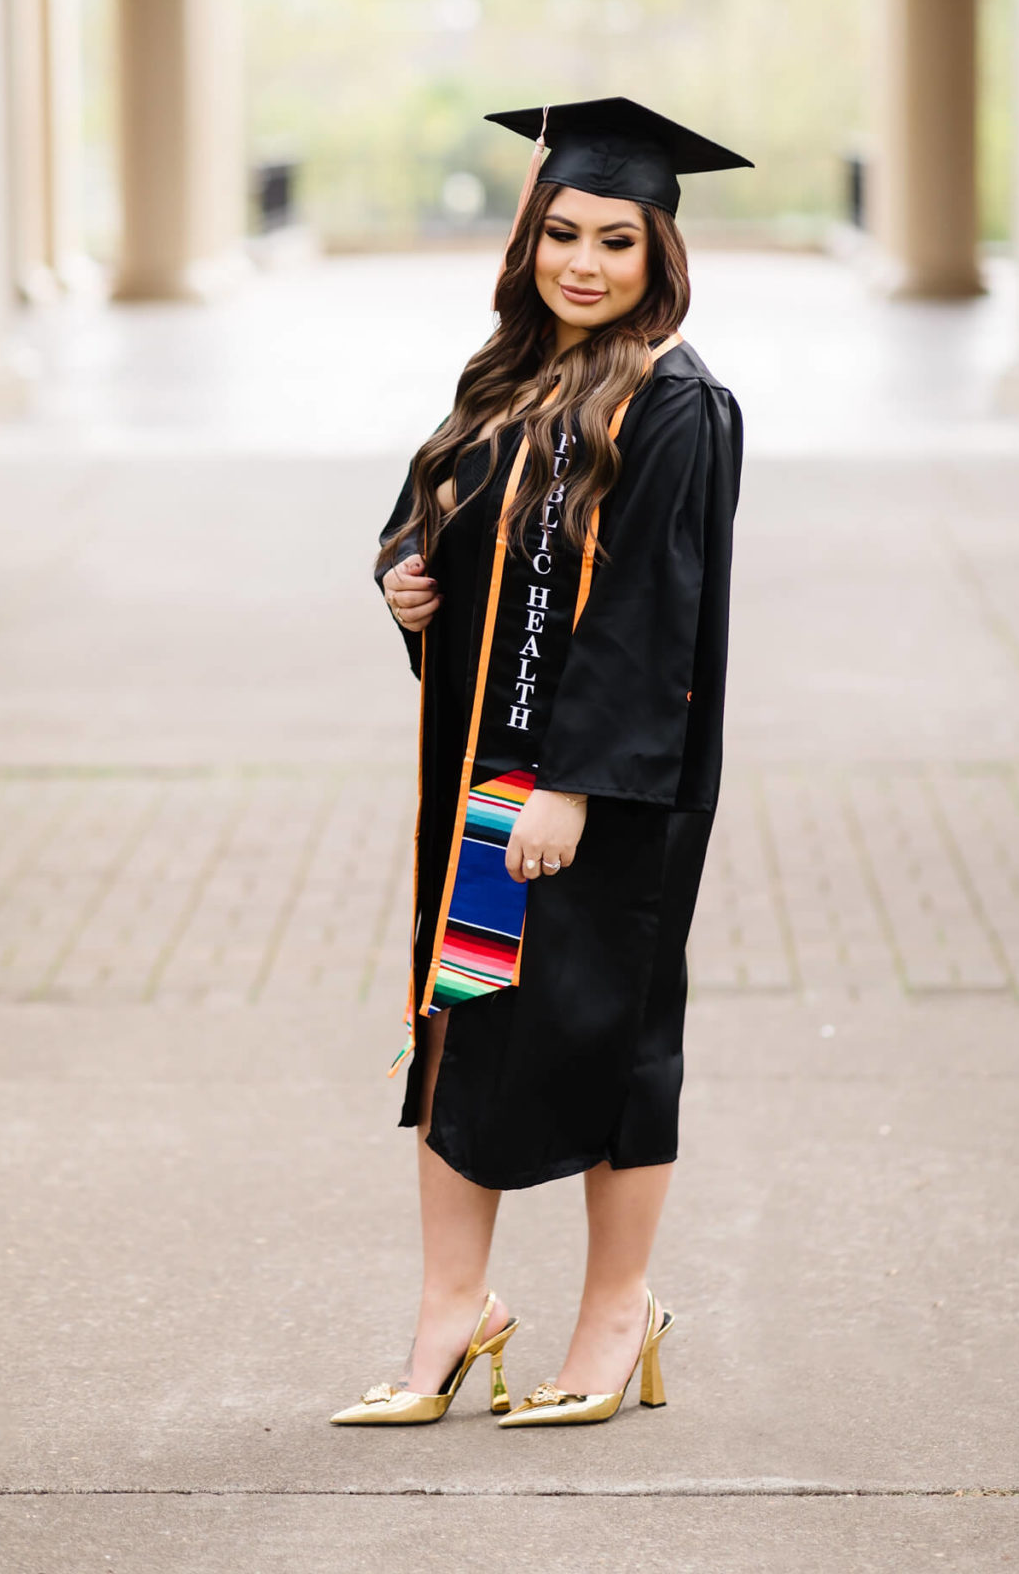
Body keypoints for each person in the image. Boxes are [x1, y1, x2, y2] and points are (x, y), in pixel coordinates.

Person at [331, 98, 747, 1429]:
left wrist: (574, 779)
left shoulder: (679, 404)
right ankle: (455, 1313)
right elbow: (432, 512)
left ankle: (619, 1317)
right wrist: (402, 578)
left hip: (599, 794)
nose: (583, 262)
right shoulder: (503, 378)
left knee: (605, 1037)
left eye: (614, 241)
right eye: (561, 233)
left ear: (657, 252)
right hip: (485, 785)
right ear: (526, 242)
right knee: (464, 1022)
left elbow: (652, 611)